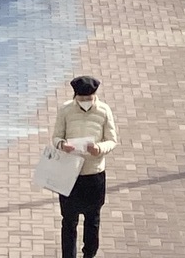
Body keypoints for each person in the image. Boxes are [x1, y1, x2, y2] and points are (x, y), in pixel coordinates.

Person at [53, 74, 117, 258]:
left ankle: (89, 254)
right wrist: (62, 145)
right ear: (76, 96)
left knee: (92, 219)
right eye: (82, 99)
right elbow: (56, 137)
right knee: (68, 221)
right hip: (70, 174)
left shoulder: (104, 110)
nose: (86, 102)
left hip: (94, 174)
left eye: (89, 98)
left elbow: (112, 140)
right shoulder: (65, 110)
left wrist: (99, 148)